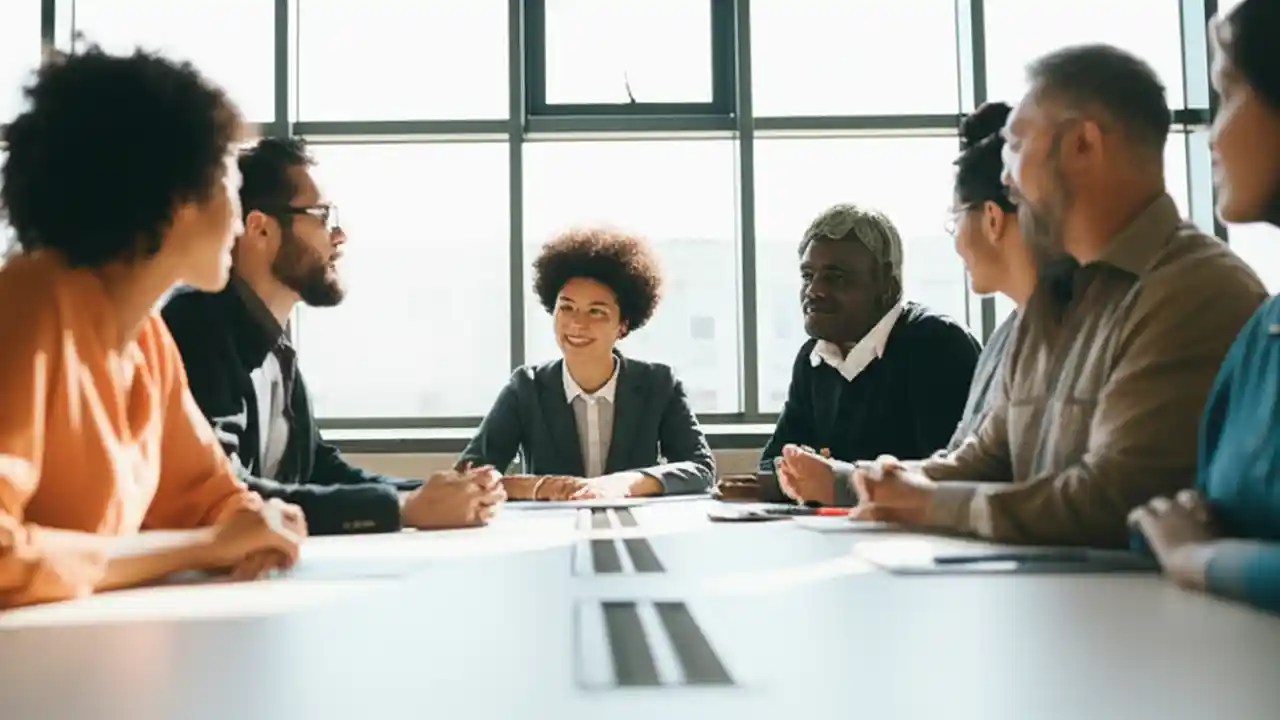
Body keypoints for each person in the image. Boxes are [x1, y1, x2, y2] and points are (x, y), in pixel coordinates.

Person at [842, 44, 1268, 548]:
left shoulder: (1195, 291)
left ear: (1083, 145)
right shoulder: (1048, 301)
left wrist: (929, 502)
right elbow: (990, 459)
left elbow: (1116, 499)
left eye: (1017, 146)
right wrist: (897, 484)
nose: (1005, 178)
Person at [0, 49, 307, 608]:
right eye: (228, 178)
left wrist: (256, 527)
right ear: (174, 196)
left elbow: (213, 499)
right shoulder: (30, 301)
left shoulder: (146, 339)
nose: (240, 217)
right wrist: (202, 548)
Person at [163, 138, 504, 534]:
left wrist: (439, 493)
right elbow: (223, 490)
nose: (339, 235)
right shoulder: (197, 326)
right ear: (260, 229)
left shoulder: (274, 343)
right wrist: (402, 508)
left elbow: (318, 469)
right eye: (322, 216)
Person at [1131, 0, 1280, 614]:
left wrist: (1199, 559)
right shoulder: (1259, 339)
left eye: (1230, 94)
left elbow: (1194, 544)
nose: (1212, 136)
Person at [459, 228, 715, 500]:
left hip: (633, 527)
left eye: (596, 311)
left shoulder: (659, 384)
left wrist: (625, 483)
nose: (577, 323)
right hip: (550, 529)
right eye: (567, 307)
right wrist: (539, 486)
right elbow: (468, 474)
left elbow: (701, 470)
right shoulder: (526, 387)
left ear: (622, 326)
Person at [766, 204, 980, 507]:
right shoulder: (813, 359)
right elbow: (775, 463)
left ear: (887, 287)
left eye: (835, 278)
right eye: (807, 275)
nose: (814, 290)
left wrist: (833, 481)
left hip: (914, 543)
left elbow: (947, 479)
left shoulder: (936, 344)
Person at [943, 101, 1046, 450]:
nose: (956, 243)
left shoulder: (1065, 335)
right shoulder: (1005, 336)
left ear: (992, 218)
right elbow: (960, 458)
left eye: (955, 218)